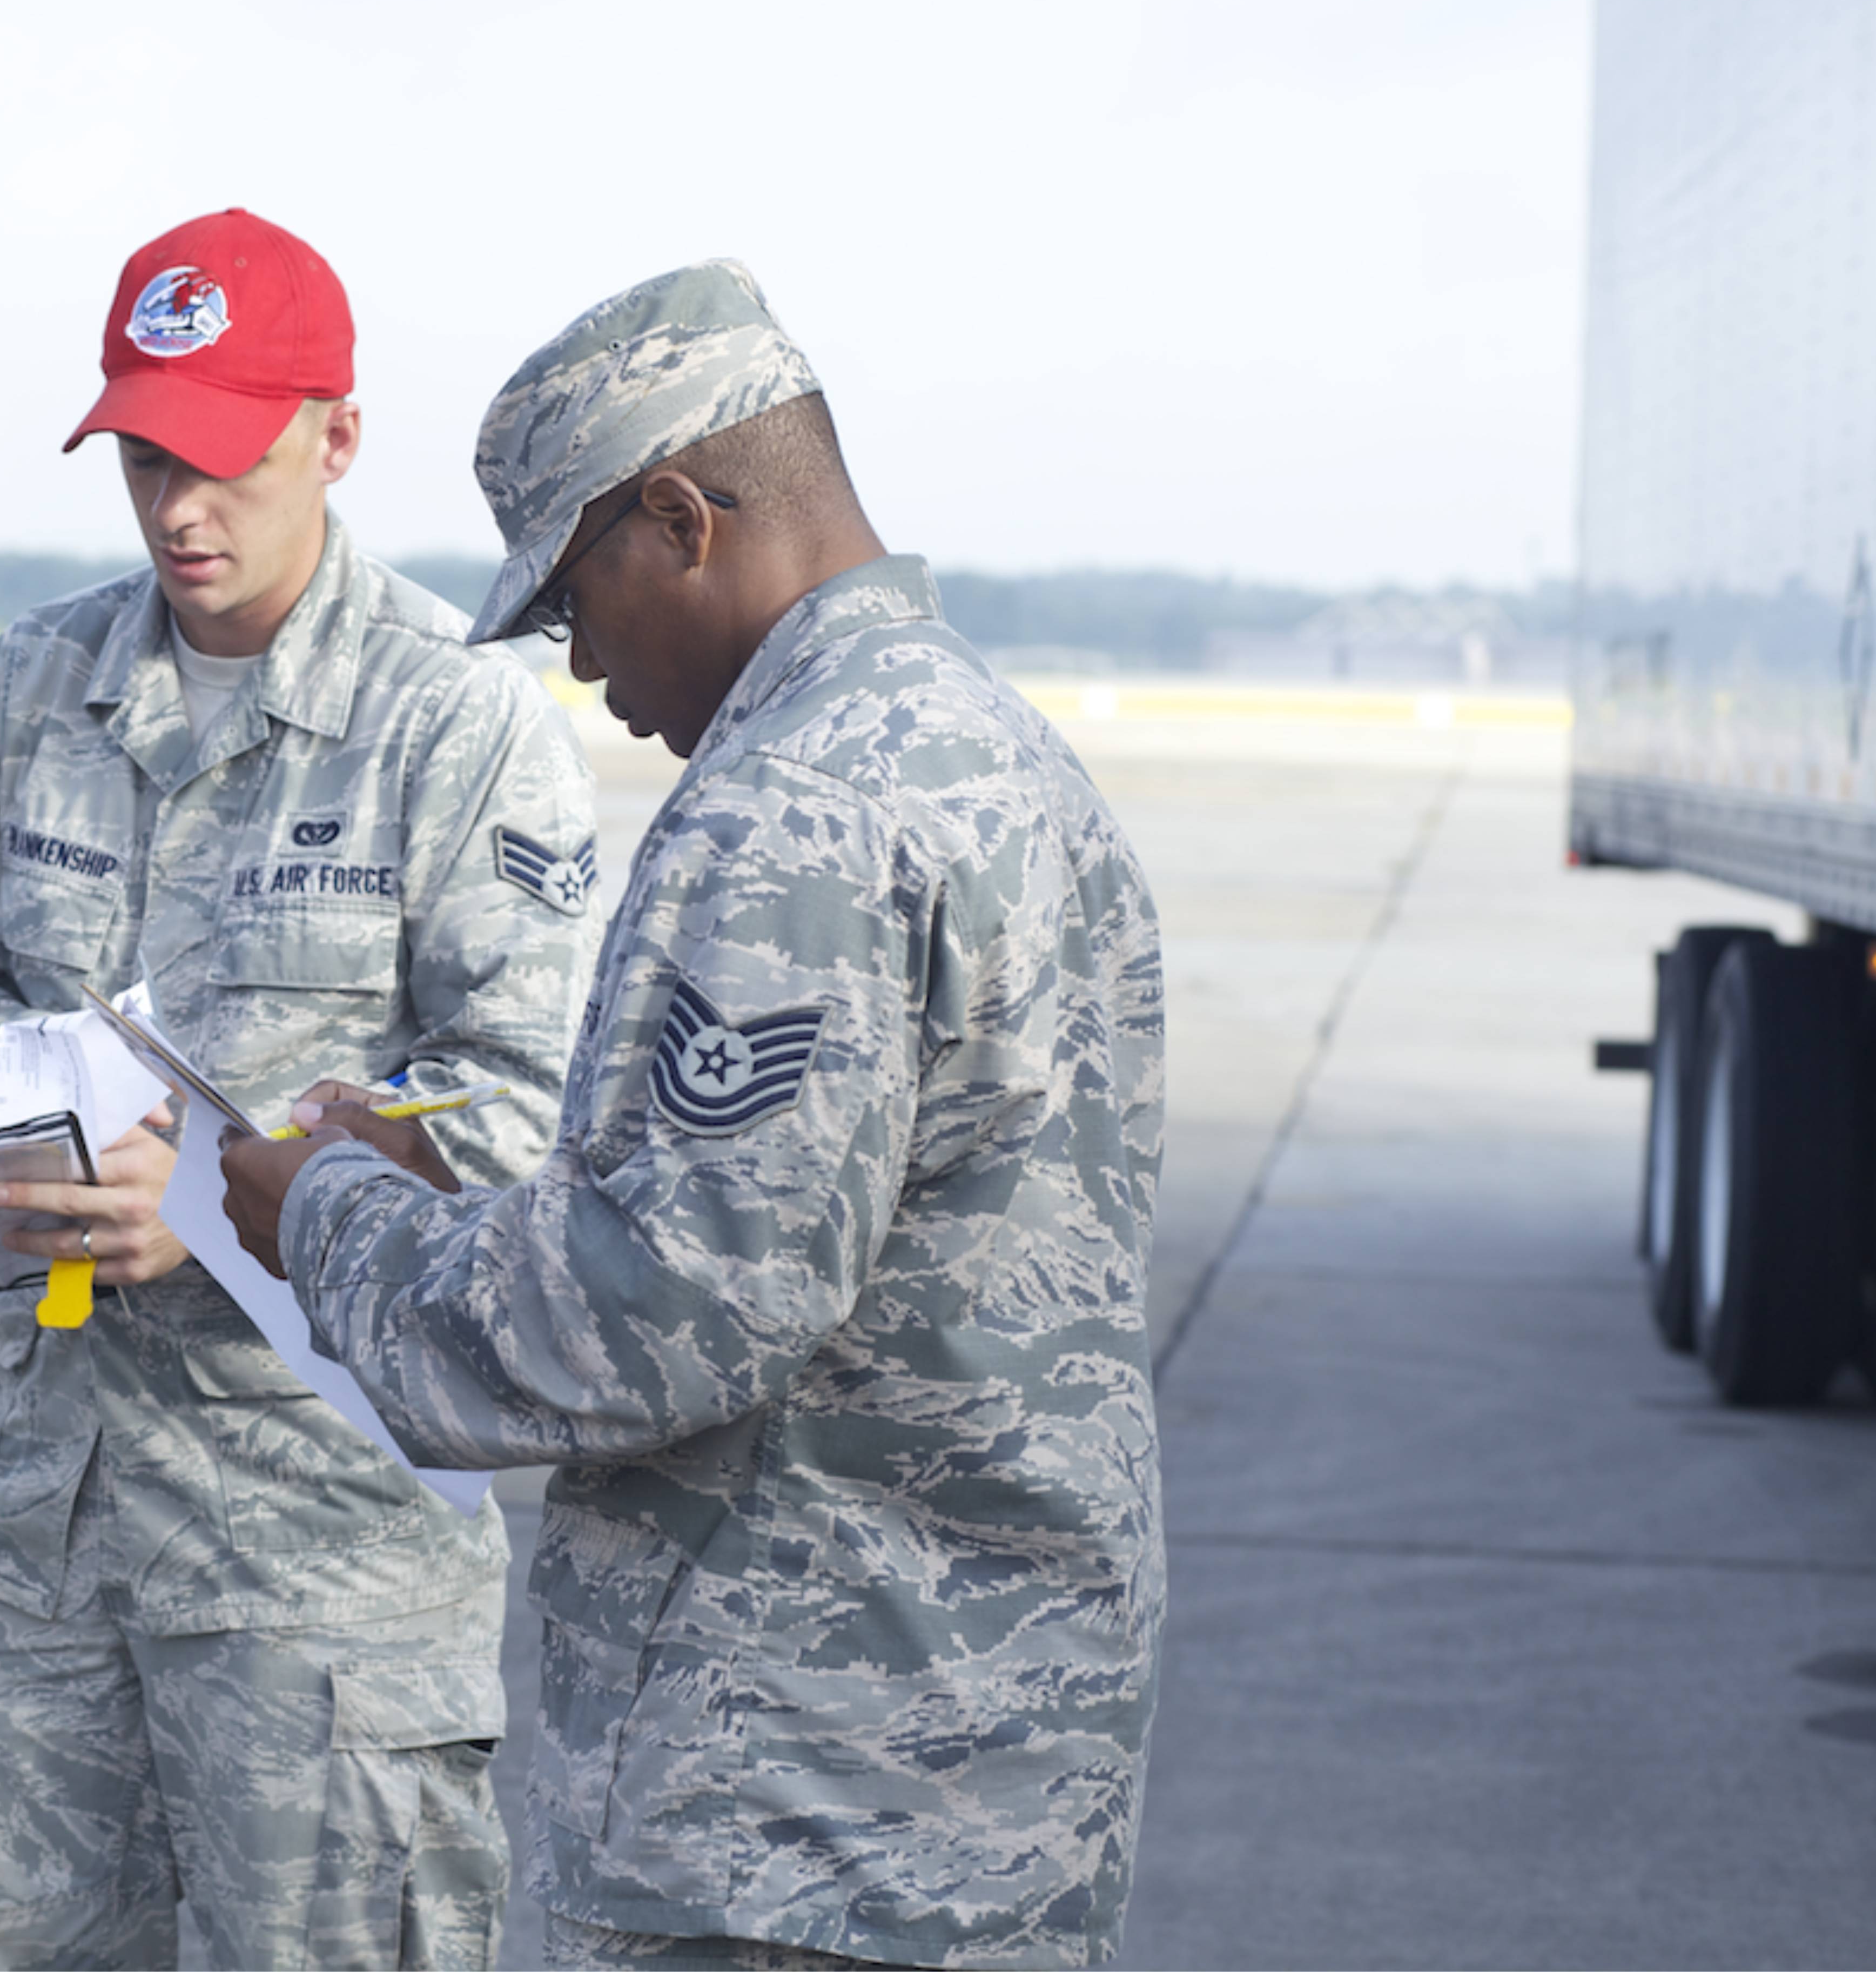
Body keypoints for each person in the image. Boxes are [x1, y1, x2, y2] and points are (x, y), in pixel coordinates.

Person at [220, 262, 1168, 1970]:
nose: (581, 664)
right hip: (980, 1783)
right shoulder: (993, 752)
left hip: (792, 1818)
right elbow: (843, 1242)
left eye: (578, 596)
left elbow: (650, 1327)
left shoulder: (788, 810)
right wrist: (457, 1192)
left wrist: (331, 1221)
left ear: (682, 517)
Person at [0, 206, 603, 1970]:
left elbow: (526, 1098)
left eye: (223, 459)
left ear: (335, 438)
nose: (178, 508)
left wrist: (224, 1181)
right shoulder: (34, 691)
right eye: (141, 458)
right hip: (33, 1538)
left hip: (318, 1559)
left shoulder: (455, 721)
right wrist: (23, 1116)